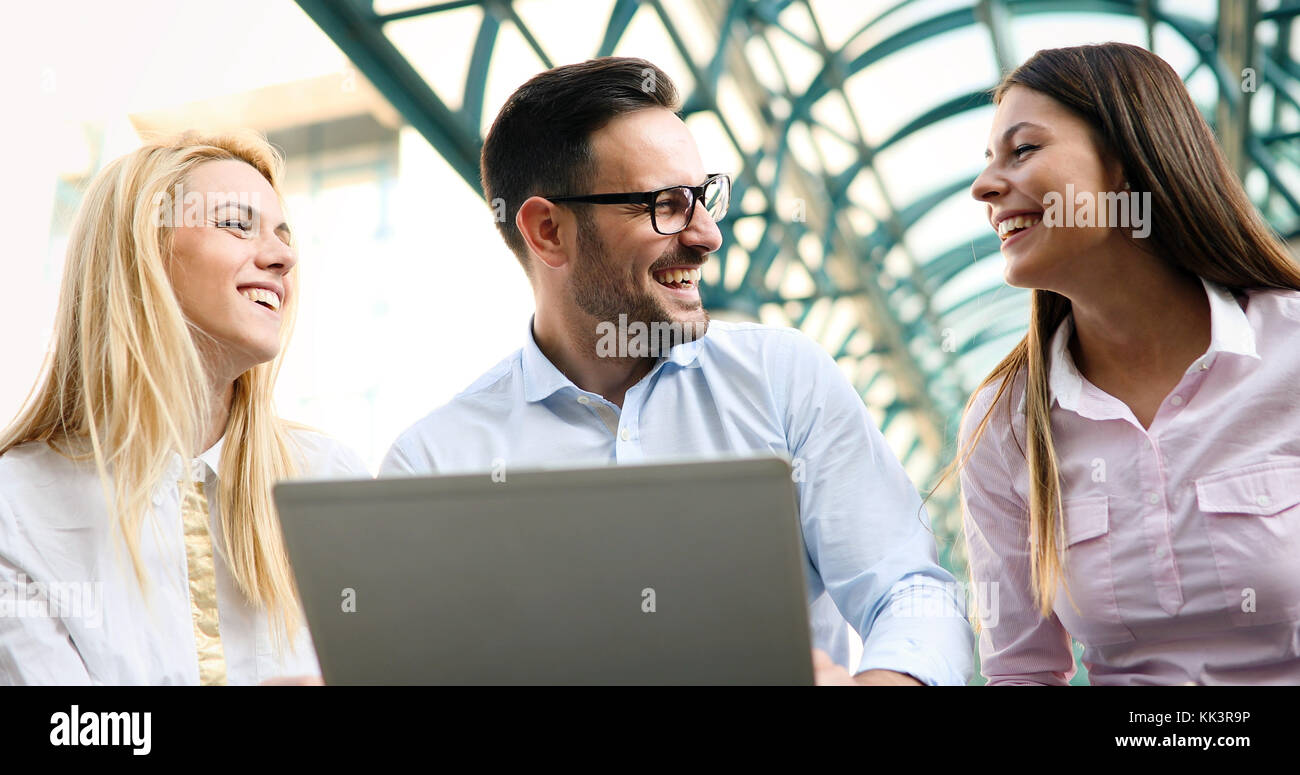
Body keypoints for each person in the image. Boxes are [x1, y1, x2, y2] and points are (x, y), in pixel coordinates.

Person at [381, 57, 973, 685]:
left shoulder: (783, 380)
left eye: (702, 196)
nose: (708, 234)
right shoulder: (433, 465)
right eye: (663, 205)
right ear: (548, 230)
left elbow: (910, 591)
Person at [961, 42, 1300, 684]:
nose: (984, 186)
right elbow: (1022, 672)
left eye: (1023, 150)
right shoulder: (1006, 420)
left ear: (1124, 165)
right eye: (988, 161)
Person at [0, 133, 368, 685]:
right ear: (142, 255)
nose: (283, 257)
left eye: (283, 235)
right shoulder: (19, 506)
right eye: (237, 225)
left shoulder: (331, 479)